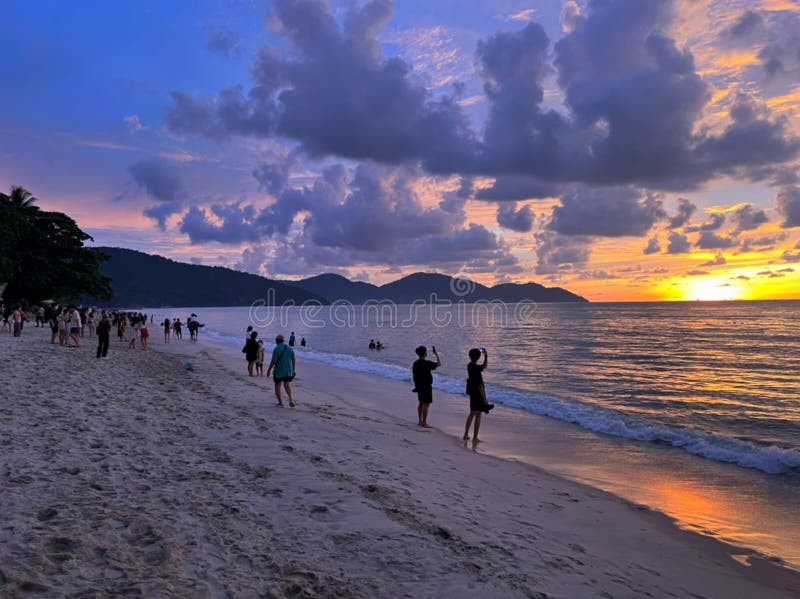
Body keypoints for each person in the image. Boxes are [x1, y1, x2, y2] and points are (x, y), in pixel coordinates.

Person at [463, 348, 494, 443]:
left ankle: (466, 434)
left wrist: (485, 356)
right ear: (478, 357)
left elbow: (484, 366)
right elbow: (480, 385)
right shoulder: (475, 368)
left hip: (472, 392)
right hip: (478, 393)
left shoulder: (470, 366)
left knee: (472, 413)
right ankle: (475, 437)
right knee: (478, 414)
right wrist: (484, 399)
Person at [412, 345, 440, 427]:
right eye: (426, 352)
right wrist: (436, 354)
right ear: (424, 353)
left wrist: (416, 386)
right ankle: (424, 422)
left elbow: (414, 375)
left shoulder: (415, 363)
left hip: (419, 385)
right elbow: (439, 364)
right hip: (426, 385)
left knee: (421, 403)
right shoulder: (427, 363)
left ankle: (420, 421)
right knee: (426, 404)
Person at [267, 334, 296, 407]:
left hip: (278, 371)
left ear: (276, 341)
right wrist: (293, 369)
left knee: (277, 386)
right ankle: (290, 400)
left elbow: (273, 361)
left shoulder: (276, 349)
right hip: (288, 371)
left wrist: (269, 370)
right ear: (283, 341)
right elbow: (293, 359)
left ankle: (280, 402)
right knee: (287, 386)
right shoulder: (289, 348)